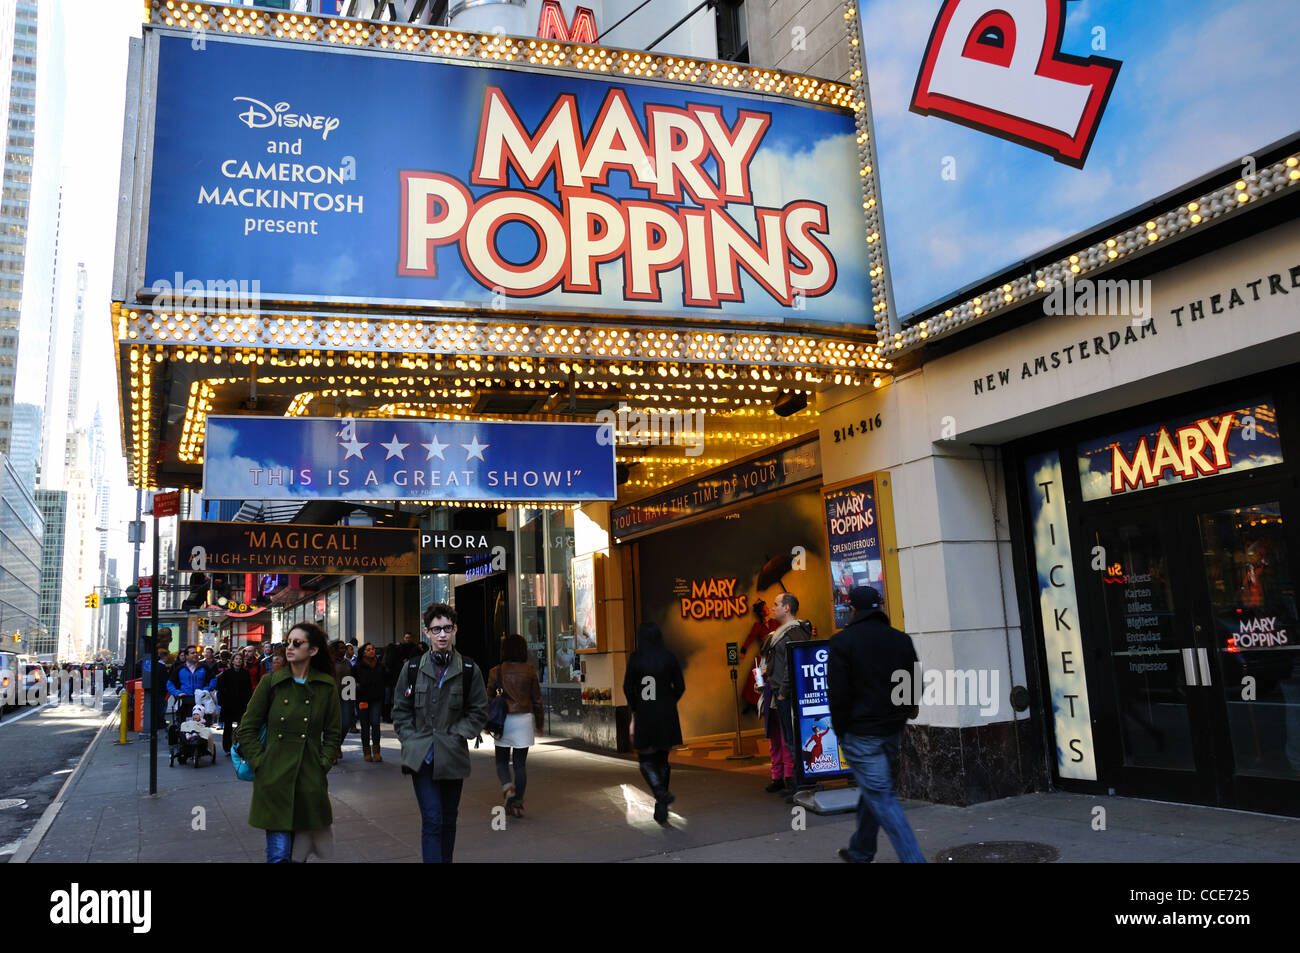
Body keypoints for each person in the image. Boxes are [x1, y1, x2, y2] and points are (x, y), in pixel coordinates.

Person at [827, 586, 925, 864]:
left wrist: (841, 728)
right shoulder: (900, 639)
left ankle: (914, 859)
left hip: (860, 732)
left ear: (853, 609)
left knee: (882, 796)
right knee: (874, 789)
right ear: (879, 606)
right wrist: (905, 713)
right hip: (892, 730)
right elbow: (913, 682)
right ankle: (860, 851)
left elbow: (838, 694)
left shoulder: (842, 643)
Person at [237, 621, 341, 863]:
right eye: (287, 643)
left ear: (313, 650)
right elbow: (247, 729)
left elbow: (334, 733)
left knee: (299, 855)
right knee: (280, 854)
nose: (289, 648)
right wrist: (261, 763)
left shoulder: (325, 687)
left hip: (309, 780)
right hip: (274, 779)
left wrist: (322, 763)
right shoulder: (271, 683)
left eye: (297, 643)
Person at [392, 602, 488, 864]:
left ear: (455, 629)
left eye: (447, 628)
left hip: (453, 757)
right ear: (427, 632)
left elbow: (479, 710)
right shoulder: (412, 669)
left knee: (448, 819)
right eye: (436, 630)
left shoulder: (469, 670)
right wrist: (411, 739)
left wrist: (459, 733)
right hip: (422, 757)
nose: (442, 635)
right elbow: (400, 709)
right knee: (432, 818)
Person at [622, 622, 685, 824]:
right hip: (666, 714)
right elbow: (680, 686)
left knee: (645, 758)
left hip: (645, 713)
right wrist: (669, 700)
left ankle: (659, 792)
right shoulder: (669, 657)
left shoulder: (636, 659)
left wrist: (636, 707)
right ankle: (662, 803)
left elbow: (627, 687)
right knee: (663, 759)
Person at [486, 634, 543, 817]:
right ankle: (518, 803)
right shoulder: (530, 670)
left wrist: (486, 722)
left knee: (501, 760)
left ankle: (507, 786)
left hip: (504, 720)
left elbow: (487, 698)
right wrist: (540, 723)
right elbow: (537, 700)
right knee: (520, 764)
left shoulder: (496, 671)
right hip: (524, 719)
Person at [761, 592, 808, 799]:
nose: (773, 607)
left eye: (776, 604)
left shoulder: (794, 632)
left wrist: (782, 692)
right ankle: (796, 785)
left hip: (787, 694)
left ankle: (800, 786)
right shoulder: (781, 633)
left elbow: (792, 664)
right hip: (782, 691)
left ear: (787, 608)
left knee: (793, 740)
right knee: (788, 739)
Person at [352, 642, 386, 762]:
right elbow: (351, 682)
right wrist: (356, 686)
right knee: (365, 726)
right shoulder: (357, 667)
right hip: (362, 699)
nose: (372, 651)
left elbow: (385, 680)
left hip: (376, 699)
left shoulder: (380, 666)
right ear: (363, 653)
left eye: (372, 649)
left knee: (375, 723)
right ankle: (366, 752)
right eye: (368, 649)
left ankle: (376, 751)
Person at [215, 650, 255, 754]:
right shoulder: (226, 673)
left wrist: (248, 702)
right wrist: (222, 701)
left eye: (240, 659)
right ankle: (227, 748)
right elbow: (221, 688)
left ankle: (240, 746)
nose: (238, 661)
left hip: (241, 703)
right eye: (236, 659)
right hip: (228, 704)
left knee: (241, 726)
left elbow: (248, 689)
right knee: (227, 727)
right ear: (232, 661)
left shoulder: (245, 673)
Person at [167, 646, 217, 724]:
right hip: (184, 700)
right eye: (192, 653)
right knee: (184, 725)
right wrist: (177, 692)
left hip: (201, 700)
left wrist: (207, 689)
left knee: (201, 726)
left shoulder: (204, 667)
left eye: (196, 653)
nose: (195, 654)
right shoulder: (179, 668)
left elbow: (213, 679)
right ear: (186, 656)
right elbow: (170, 684)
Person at [330, 641, 353, 764]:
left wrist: (352, 696)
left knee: (346, 723)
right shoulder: (329, 663)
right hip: (332, 696)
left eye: (344, 648)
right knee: (333, 725)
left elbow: (351, 679)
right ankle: (332, 751)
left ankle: (337, 744)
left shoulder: (347, 663)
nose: (344, 650)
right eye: (341, 648)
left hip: (346, 696)